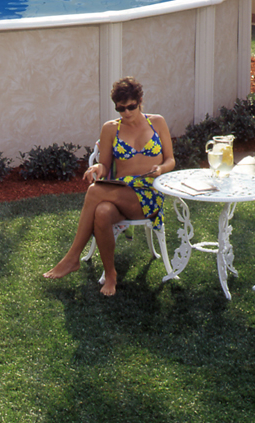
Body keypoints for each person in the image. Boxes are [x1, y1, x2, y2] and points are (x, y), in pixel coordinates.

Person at [43, 76, 175, 296]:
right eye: (120, 108)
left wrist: (160, 169)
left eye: (131, 106)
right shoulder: (110, 129)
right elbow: (104, 164)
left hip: (148, 195)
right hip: (120, 192)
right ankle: (110, 275)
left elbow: (171, 159)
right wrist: (97, 169)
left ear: (140, 100)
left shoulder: (157, 122)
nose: (126, 112)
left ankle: (72, 257)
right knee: (103, 212)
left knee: (94, 191)